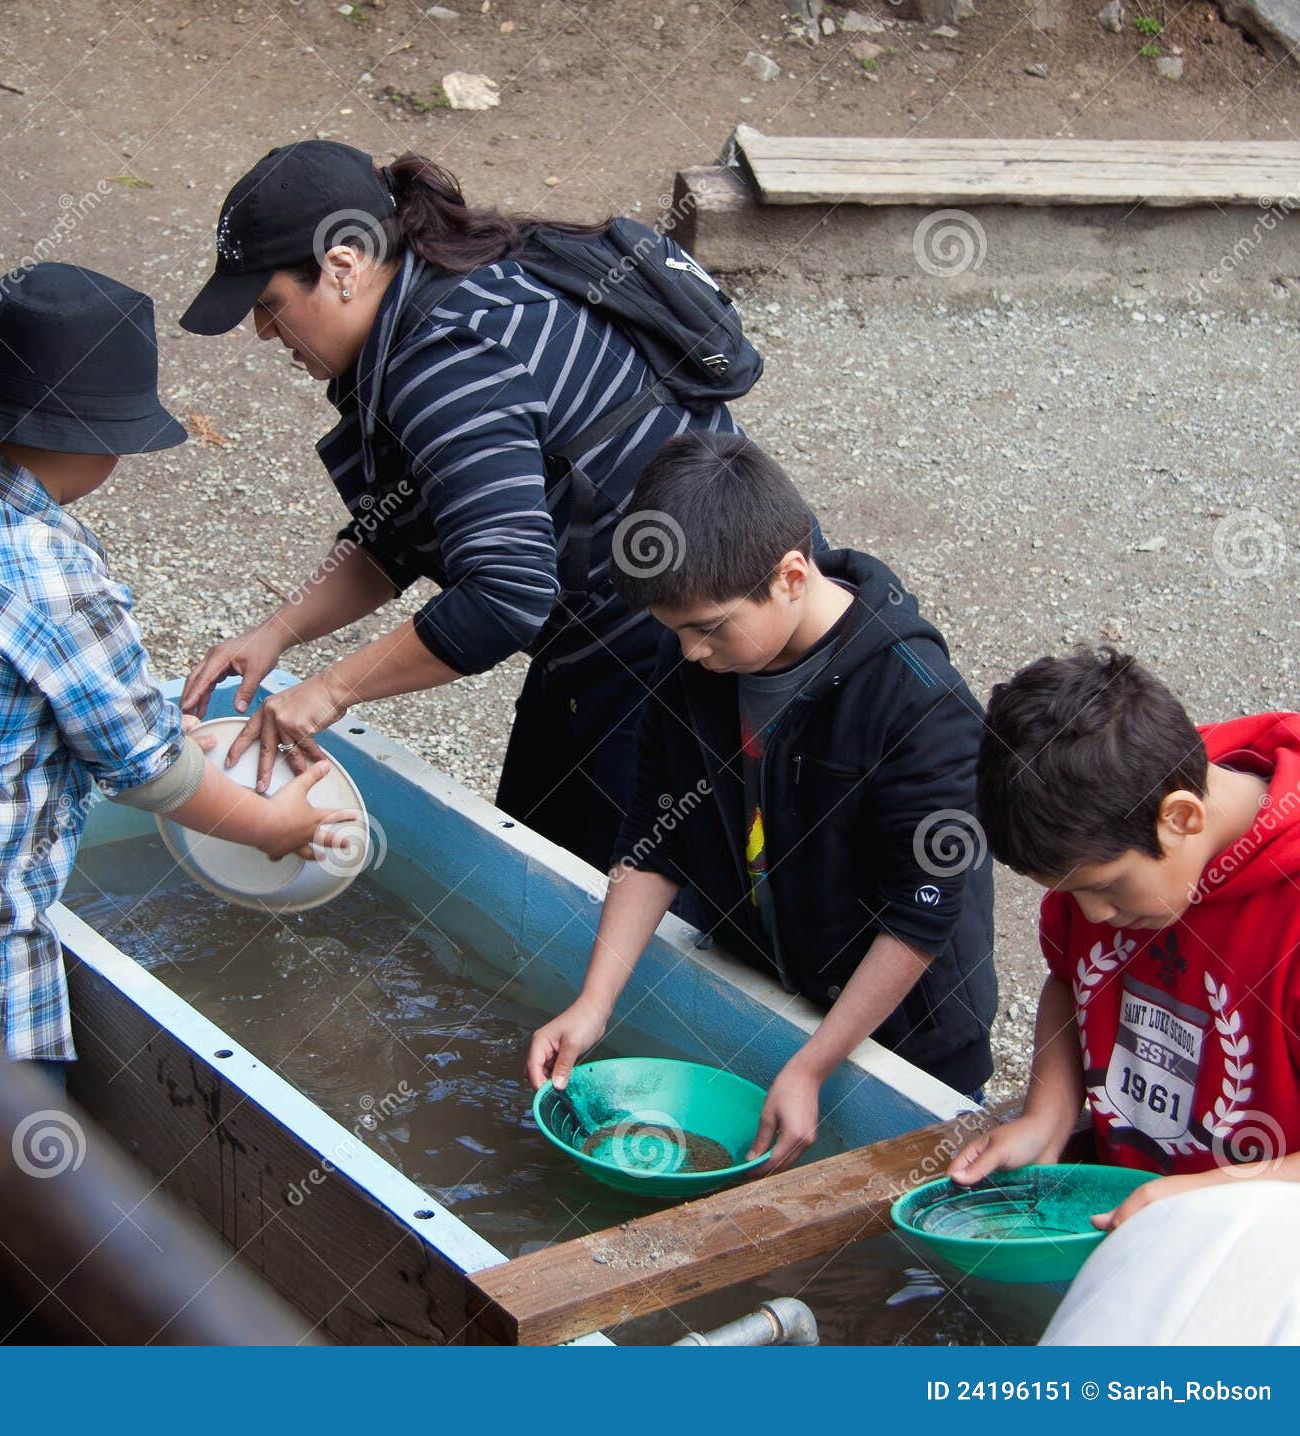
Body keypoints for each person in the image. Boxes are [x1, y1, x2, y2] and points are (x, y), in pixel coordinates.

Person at [0, 262, 354, 1083]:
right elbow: (151, 774)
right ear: (101, 441)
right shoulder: (54, 577)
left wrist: (171, 732)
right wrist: (268, 827)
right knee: (9, 1188)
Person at [177, 140, 786, 871]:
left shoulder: (445, 361)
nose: (265, 333)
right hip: (598, 630)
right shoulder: (456, 277)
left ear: (342, 266)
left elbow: (504, 596)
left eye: (270, 305)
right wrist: (278, 632)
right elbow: (403, 534)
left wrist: (330, 691)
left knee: (610, 897)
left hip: (681, 645)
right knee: (531, 853)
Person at [527, 433, 997, 1171]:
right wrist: (594, 1002)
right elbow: (652, 834)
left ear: (789, 576)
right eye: (675, 631)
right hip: (767, 985)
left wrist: (815, 1066)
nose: (688, 653)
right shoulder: (692, 660)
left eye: (707, 629)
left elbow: (921, 916)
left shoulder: (919, 705)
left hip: (906, 1032)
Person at [952, 648, 1300, 1229]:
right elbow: (1068, 981)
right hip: (1141, 1215)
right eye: (1069, 894)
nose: (1093, 914)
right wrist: (1050, 1109)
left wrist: (1213, 1193)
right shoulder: (1112, 816)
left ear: (1182, 818)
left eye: (1106, 887)